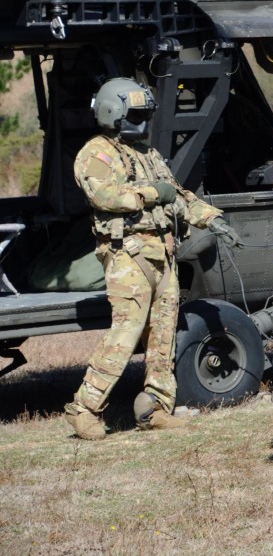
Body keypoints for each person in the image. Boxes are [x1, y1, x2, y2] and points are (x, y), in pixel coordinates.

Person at [65, 77, 241, 440]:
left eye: (144, 114)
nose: (142, 121)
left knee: (162, 335)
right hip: (128, 256)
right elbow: (104, 196)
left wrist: (212, 218)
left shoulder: (148, 154)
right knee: (126, 332)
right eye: (136, 114)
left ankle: (155, 408)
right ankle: (85, 408)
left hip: (163, 253)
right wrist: (151, 193)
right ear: (114, 113)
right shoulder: (95, 154)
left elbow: (177, 195)